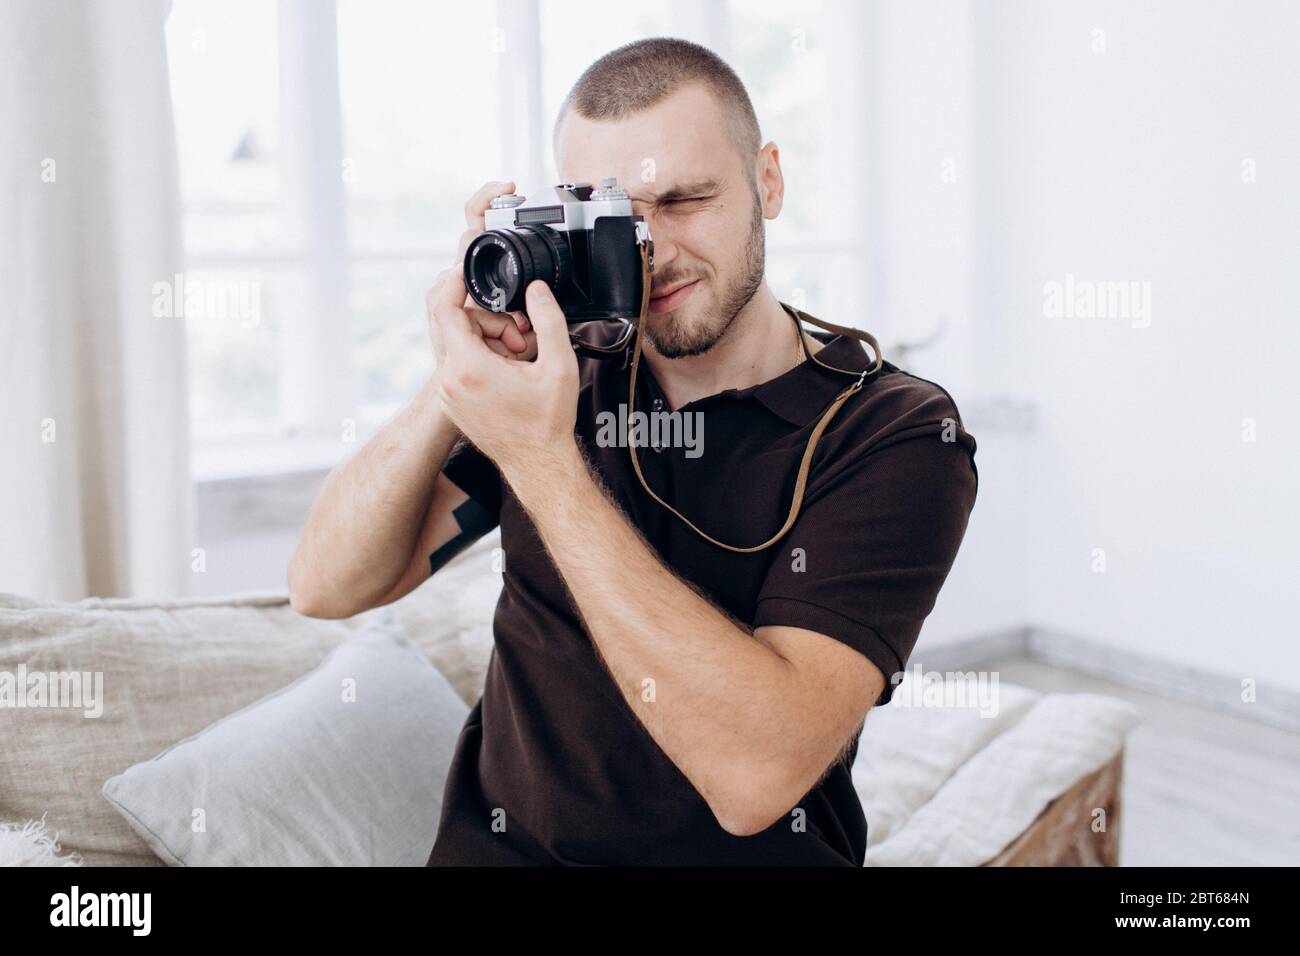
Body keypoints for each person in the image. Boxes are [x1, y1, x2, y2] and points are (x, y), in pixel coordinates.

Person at [288, 37, 978, 866]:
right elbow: (327, 585)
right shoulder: (557, 379)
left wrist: (543, 461)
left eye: (685, 199)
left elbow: (755, 779)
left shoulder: (894, 433)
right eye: (619, 217)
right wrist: (457, 378)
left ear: (769, 181)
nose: (653, 252)